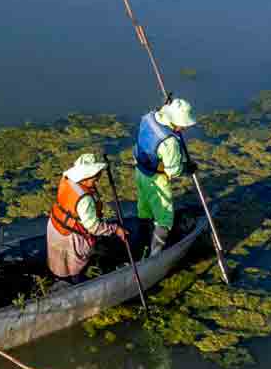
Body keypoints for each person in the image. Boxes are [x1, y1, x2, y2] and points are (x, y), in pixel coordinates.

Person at [47, 153, 127, 283]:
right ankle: (77, 284)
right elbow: (93, 227)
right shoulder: (84, 199)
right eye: (95, 176)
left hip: (55, 226)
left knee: (59, 260)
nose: (98, 179)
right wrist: (115, 229)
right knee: (74, 264)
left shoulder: (67, 179)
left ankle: (61, 279)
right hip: (70, 236)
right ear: (86, 176)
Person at [133, 97, 196, 257]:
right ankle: (155, 255)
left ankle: (143, 238)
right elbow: (172, 171)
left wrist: (165, 105)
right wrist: (187, 168)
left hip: (140, 170)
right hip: (156, 178)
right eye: (183, 125)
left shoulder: (150, 116)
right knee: (164, 218)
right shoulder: (169, 143)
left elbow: (160, 111)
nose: (184, 128)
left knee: (144, 207)